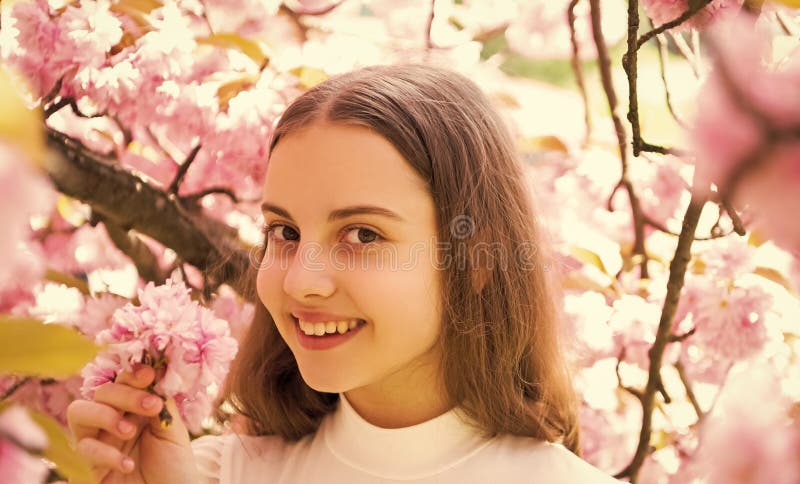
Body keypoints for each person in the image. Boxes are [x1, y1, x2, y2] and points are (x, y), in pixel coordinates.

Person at [67, 63, 622, 483]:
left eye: (362, 235)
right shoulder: (205, 475)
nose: (301, 282)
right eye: (284, 232)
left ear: (477, 259)